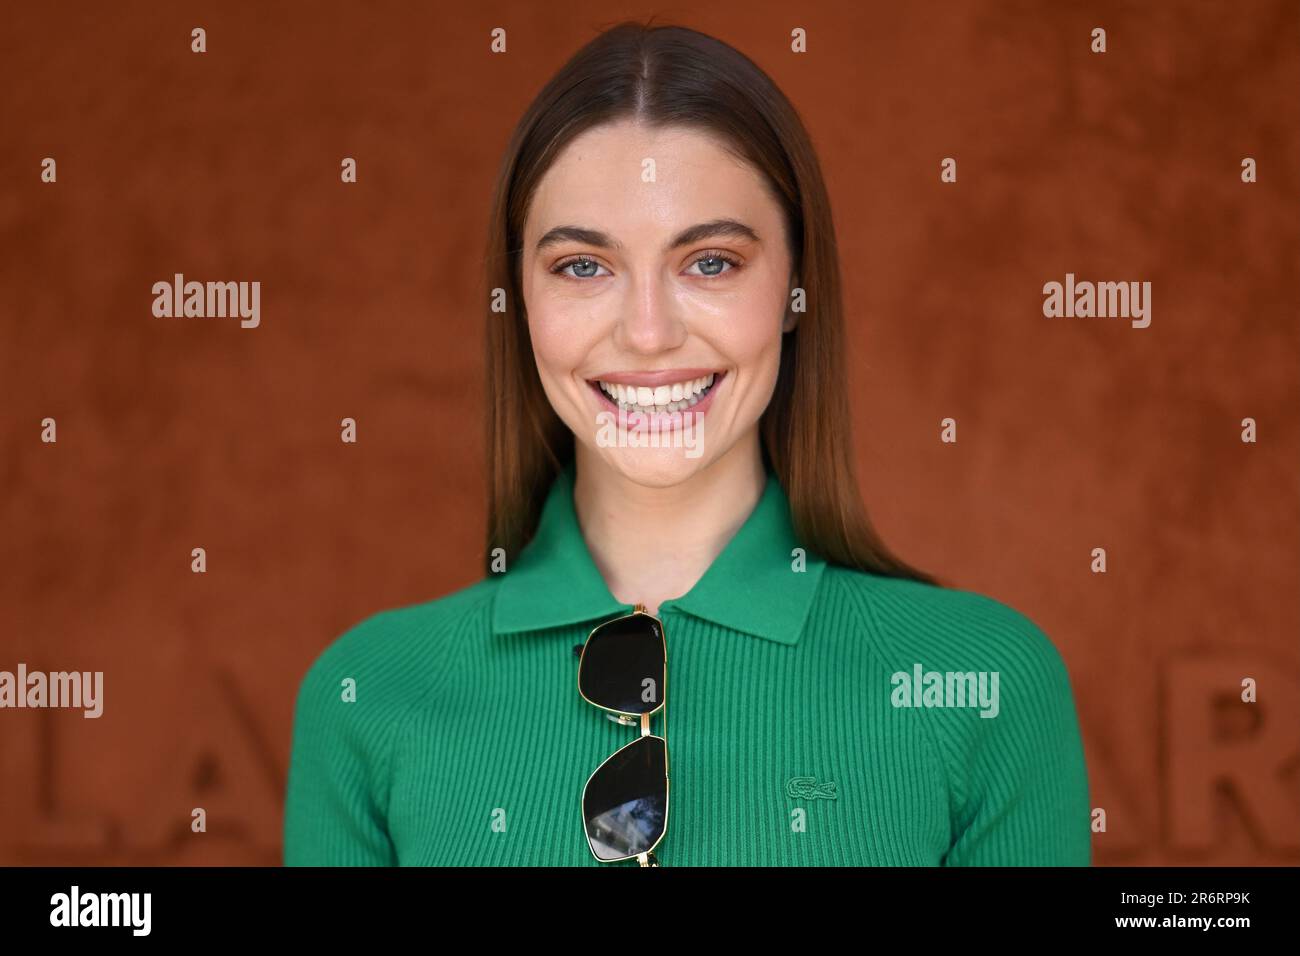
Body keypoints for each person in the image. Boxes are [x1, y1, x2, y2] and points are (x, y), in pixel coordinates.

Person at [284, 20, 1091, 866]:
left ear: (795, 290)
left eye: (709, 262)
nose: (646, 333)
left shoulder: (986, 685)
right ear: (518, 299)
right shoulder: (365, 697)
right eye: (582, 267)